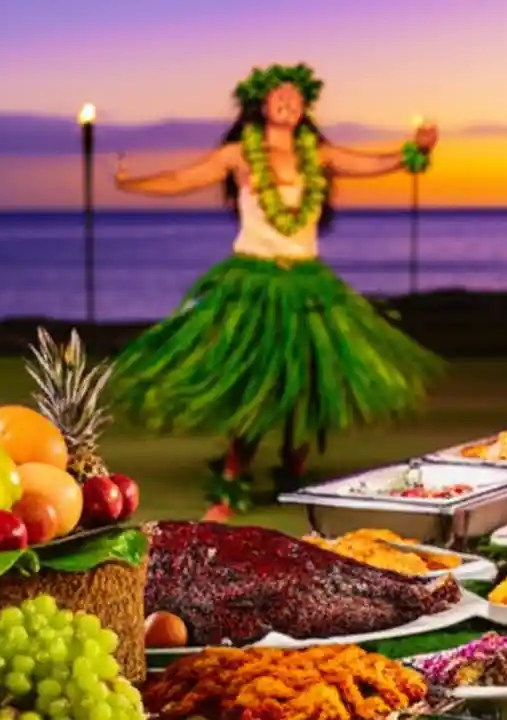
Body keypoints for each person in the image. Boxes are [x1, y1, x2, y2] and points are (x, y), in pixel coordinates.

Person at [113, 63, 442, 514]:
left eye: (295, 96)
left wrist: (415, 151)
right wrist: (131, 182)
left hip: (306, 282)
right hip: (254, 281)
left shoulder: (319, 154)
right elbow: (182, 179)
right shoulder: (239, 155)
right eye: (278, 96)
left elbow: (371, 163)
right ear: (262, 105)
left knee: (306, 382)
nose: (287, 101)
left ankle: (293, 466)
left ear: (305, 106)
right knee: (254, 383)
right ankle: (232, 479)